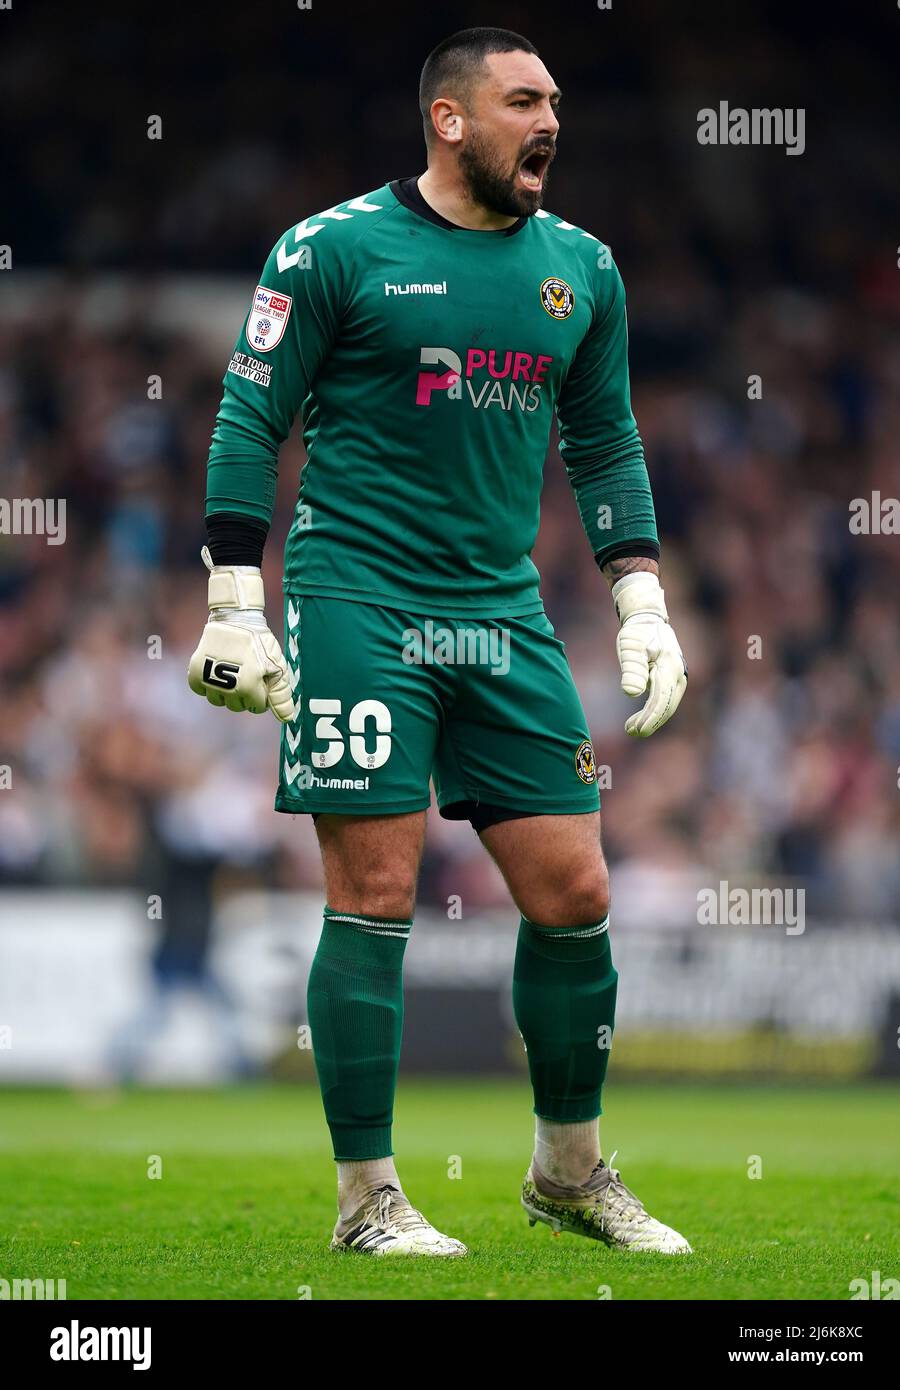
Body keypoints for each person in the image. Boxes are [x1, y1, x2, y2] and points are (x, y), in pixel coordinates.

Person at [189, 26, 690, 1256]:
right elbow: (249, 418)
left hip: (501, 610)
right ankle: (366, 1197)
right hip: (358, 598)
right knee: (373, 893)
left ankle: (567, 1171)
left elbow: (605, 439)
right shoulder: (331, 249)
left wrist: (639, 597)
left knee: (575, 893)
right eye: (523, 100)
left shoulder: (582, 269)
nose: (550, 120)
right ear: (450, 119)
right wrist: (234, 597)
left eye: (555, 100)